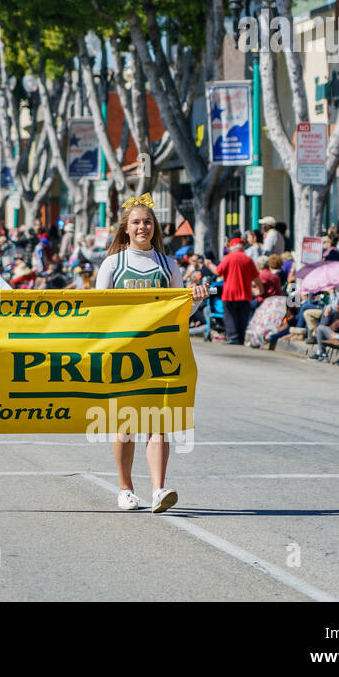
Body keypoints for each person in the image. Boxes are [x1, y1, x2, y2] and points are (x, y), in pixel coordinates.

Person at [93, 195, 211, 514]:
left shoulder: (167, 264)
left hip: (159, 353)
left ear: (154, 226)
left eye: (147, 221)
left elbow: (180, 311)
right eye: (136, 222)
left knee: (159, 421)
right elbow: (97, 309)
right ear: (126, 229)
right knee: (127, 423)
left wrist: (196, 298)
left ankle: (159, 490)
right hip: (123, 354)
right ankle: (125, 488)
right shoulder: (113, 264)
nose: (142, 226)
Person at [214, 237, 259, 345]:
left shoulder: (228, 258)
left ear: (232, 247)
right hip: (245, 292)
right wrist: (260, 288)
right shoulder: (248, 259)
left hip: (229, 292)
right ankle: (240, 337)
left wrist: (209, 264)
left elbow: (218, 272)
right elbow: (256, 276)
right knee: (242, 316)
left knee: (230, 315)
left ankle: (233, 337)